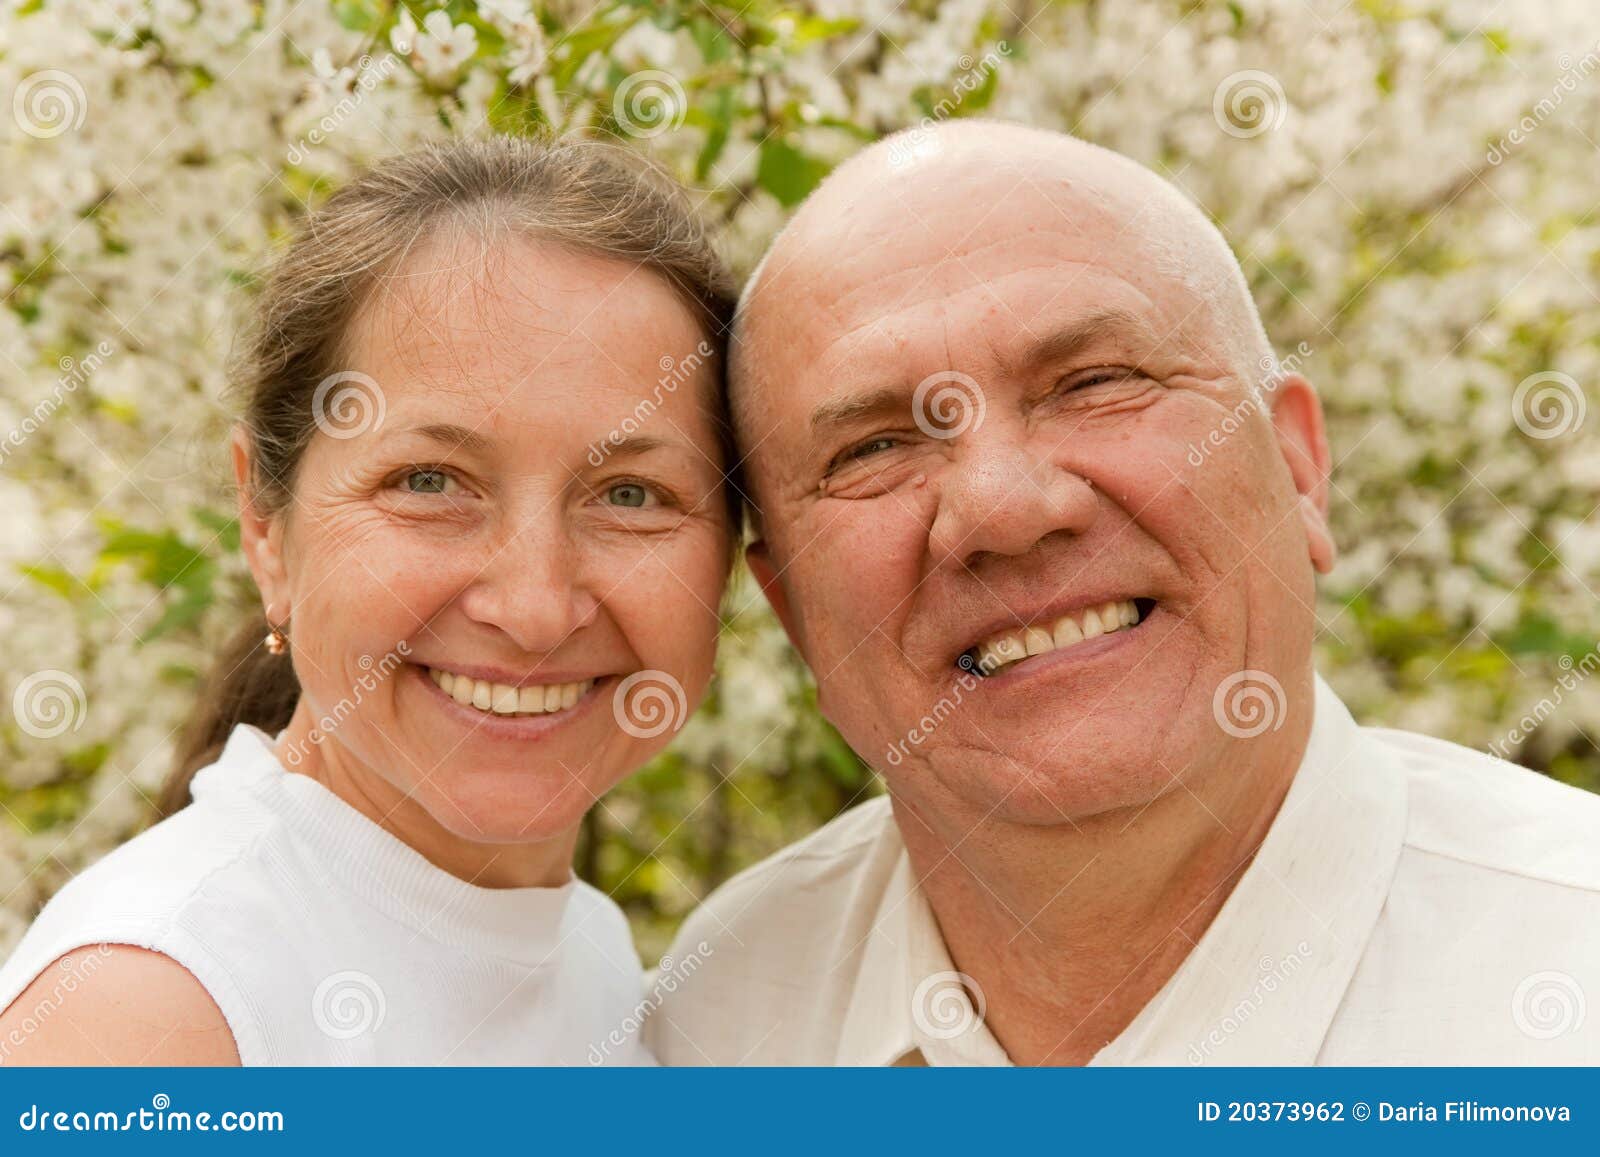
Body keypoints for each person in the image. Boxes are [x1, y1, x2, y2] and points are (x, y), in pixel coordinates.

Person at [646, 119, 1600, 1065]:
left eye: (1095, 382)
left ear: (1299, 468)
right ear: (794, 615)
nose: (1004, 509)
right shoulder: (717, 1024)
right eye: (875, 449)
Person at [0, 136, 737, 1065]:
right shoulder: (142, 1012)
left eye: (631, 495)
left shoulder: (590, 951)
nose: (536, 606)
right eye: (431, 480)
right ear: (266, 526)